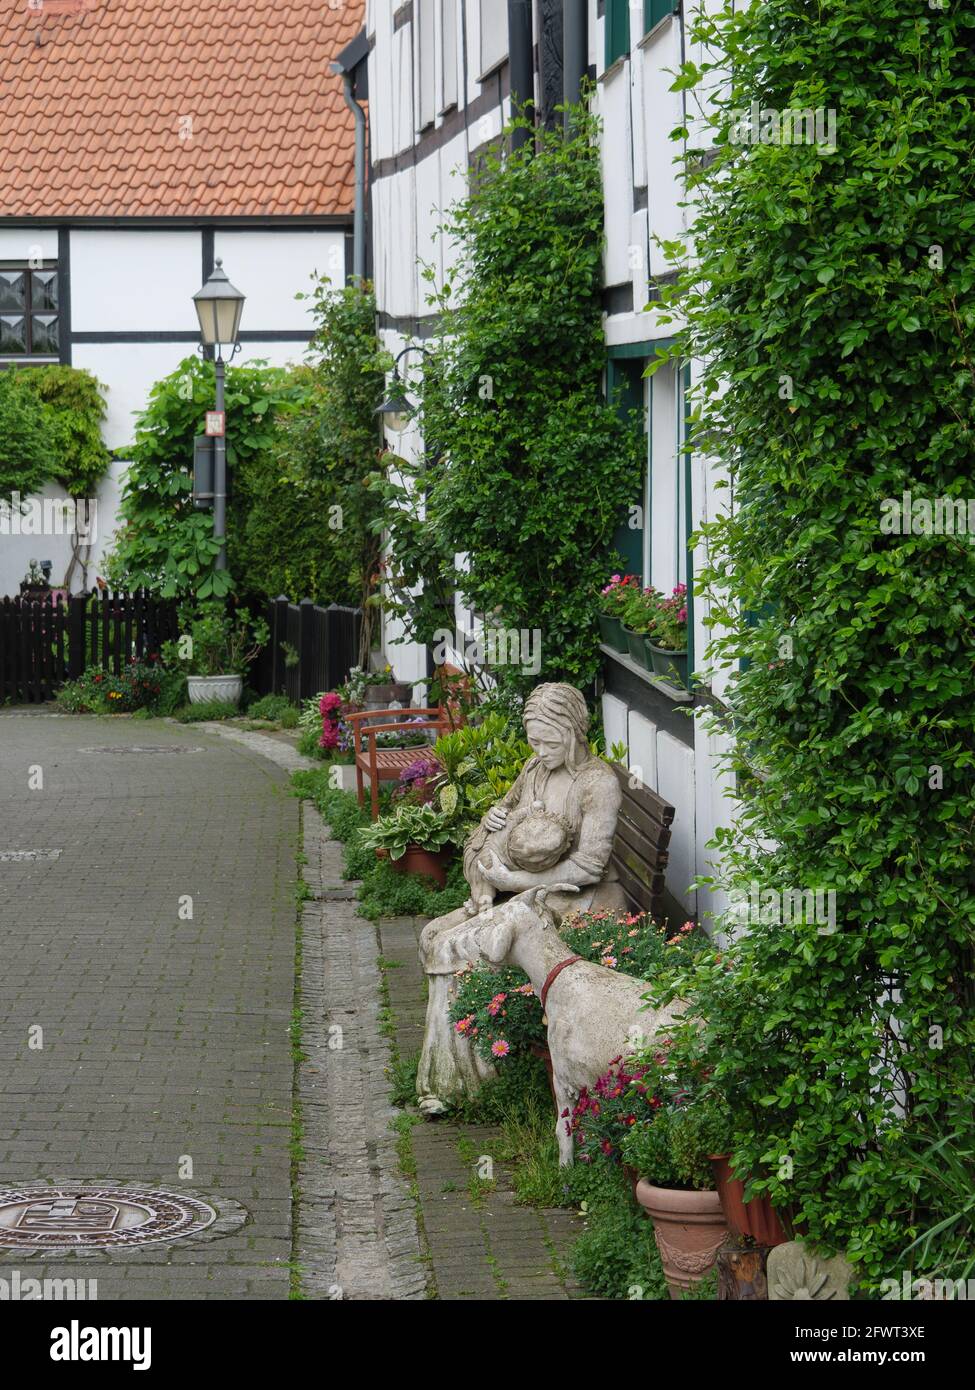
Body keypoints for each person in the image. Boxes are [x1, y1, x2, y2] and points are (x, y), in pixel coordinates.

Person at [416, 682, 626, 1115]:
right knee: (432, 932)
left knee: (449, 946)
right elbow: (505, 811)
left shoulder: (597, 784)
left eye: (548, 741)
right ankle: (473, 1070)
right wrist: (495, 816)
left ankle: (456, 1086)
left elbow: (588, 867)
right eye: (533, 739)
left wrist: (511, 881)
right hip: (526, 893)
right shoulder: (536, 769)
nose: (540, 749)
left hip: (576, 901)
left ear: (572, 731)